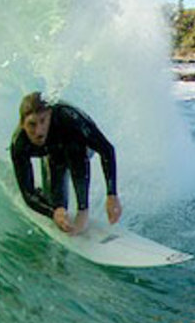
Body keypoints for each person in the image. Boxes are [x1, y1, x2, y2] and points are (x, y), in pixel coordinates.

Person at [10, 92, 123, 235]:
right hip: (53, 154)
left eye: (43, 121)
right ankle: (57, 205)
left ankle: (83, 210)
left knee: (73, 148)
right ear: (22, 124)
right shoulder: (19, 143)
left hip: (79, 146)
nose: (38, 131)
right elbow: (28, 193)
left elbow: (106, 149)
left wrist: (112, 194)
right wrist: (53, 212)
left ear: (50, 115)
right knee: (55, 203)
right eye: (31, 124)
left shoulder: (69, 118)